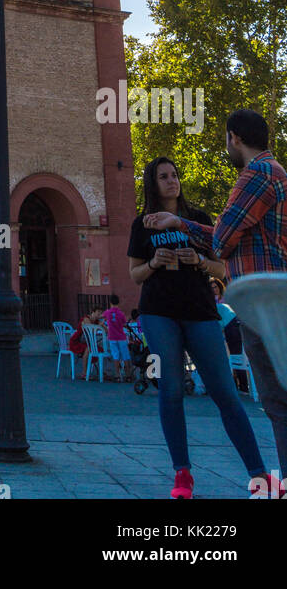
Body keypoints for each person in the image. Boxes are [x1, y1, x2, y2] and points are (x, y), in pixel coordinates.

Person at [145, 110, 287, 480]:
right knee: (276, 400)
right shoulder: (276, 172)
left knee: (278, 401)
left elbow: (222, 241)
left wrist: (187, 232)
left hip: (263, 301)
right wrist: (180, 225)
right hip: (269, 298)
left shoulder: (256, 174)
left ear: (234, 138)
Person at [129, 155, 268, 499]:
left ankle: (260, 476)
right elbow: (135, 275)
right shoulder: (141, 225)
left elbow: (221, 270)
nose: (171, 181)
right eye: (163, 176)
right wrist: (154, 262)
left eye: (174, 175)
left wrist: (200, 261)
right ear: (152, 183)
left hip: (202, 312)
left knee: (225, 393)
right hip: (159, 313)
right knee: (171, 390)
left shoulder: (199, 220)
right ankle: (182, 475)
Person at [101, 295, 132, 382]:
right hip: (121, 337)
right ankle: (128, 375)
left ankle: (117, 375)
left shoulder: (107, 312)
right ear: (118, 302)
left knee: (116, 356)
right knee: (125, 355)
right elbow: (124, 324)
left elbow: (101, 317)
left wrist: (103, 324)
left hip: (112, 337)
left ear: (110, 302)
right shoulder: (121, 313)